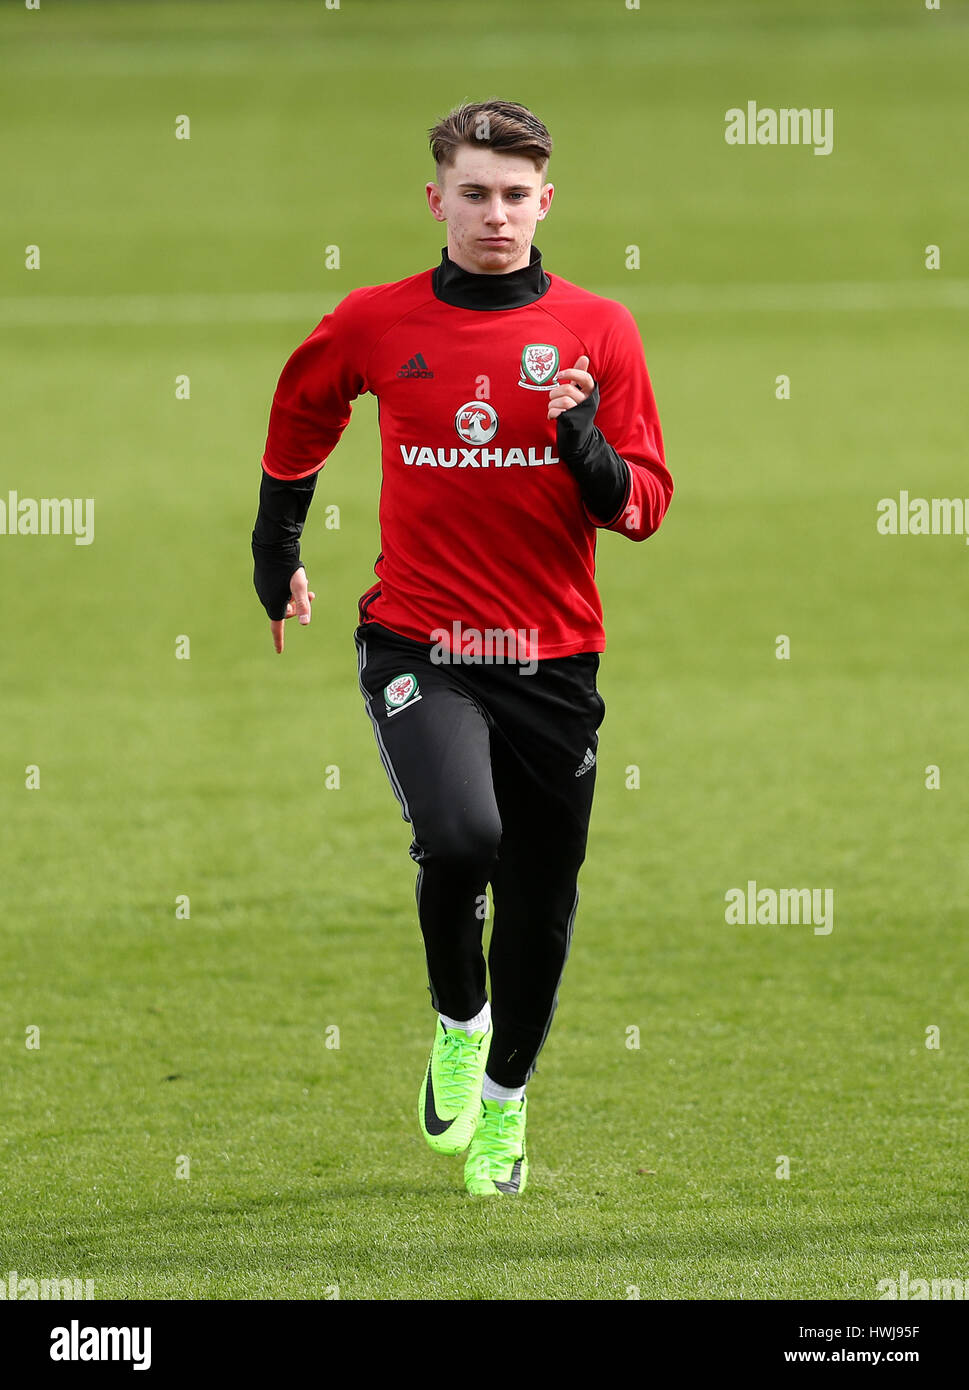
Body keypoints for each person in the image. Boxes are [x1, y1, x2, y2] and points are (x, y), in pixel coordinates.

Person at [251, 100, 673, 1197]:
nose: (496, 214)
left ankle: (503, 1103)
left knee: (541, 900)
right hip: (418, 641)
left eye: (516, 194)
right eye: (474, 193)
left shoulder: (598, 329)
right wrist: (276, 545)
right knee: (459, 832)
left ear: (546, 201)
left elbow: (643, 508)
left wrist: (584, 447)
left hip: (552, 658)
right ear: (436, 199)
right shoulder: (375, 322)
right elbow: (304, 408)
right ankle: (457, 1020)